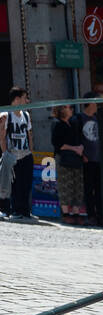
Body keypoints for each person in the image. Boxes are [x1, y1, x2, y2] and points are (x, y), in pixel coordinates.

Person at [0, 87, 35, 221]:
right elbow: (2, 136)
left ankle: (24, 210)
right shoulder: (6, 114)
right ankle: (11, 210)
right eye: (25, 97)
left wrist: (31, 151)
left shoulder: (26, 115)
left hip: (25, 153)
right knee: (11, 183)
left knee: (26, 183)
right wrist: (5, 154)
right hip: (12, 153)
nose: (27, 100)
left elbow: (29, 134)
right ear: (17, 99)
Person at [50, 105, 87, 224]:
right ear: (61, 110)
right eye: (68, 107)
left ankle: (76, 213)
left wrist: (81, 147)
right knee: (65, 185)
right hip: (64, 158)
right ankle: (66, 214)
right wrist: (74, 148)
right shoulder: (58, 124)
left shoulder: (73, 123)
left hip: (76, 159)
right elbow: (58, 144)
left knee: (77, 185)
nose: (71, 109)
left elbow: (80, 139)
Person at [74, 101, 102, 226]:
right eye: (96, 102)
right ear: (90, 103)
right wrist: (82, 155)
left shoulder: (97, 119)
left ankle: (101, 217)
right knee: (88, 189)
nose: (97, 106)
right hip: (86, 160)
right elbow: (76, 138)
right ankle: (91, 215)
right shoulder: (79, 119)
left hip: (99, 160)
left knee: (100, 190)